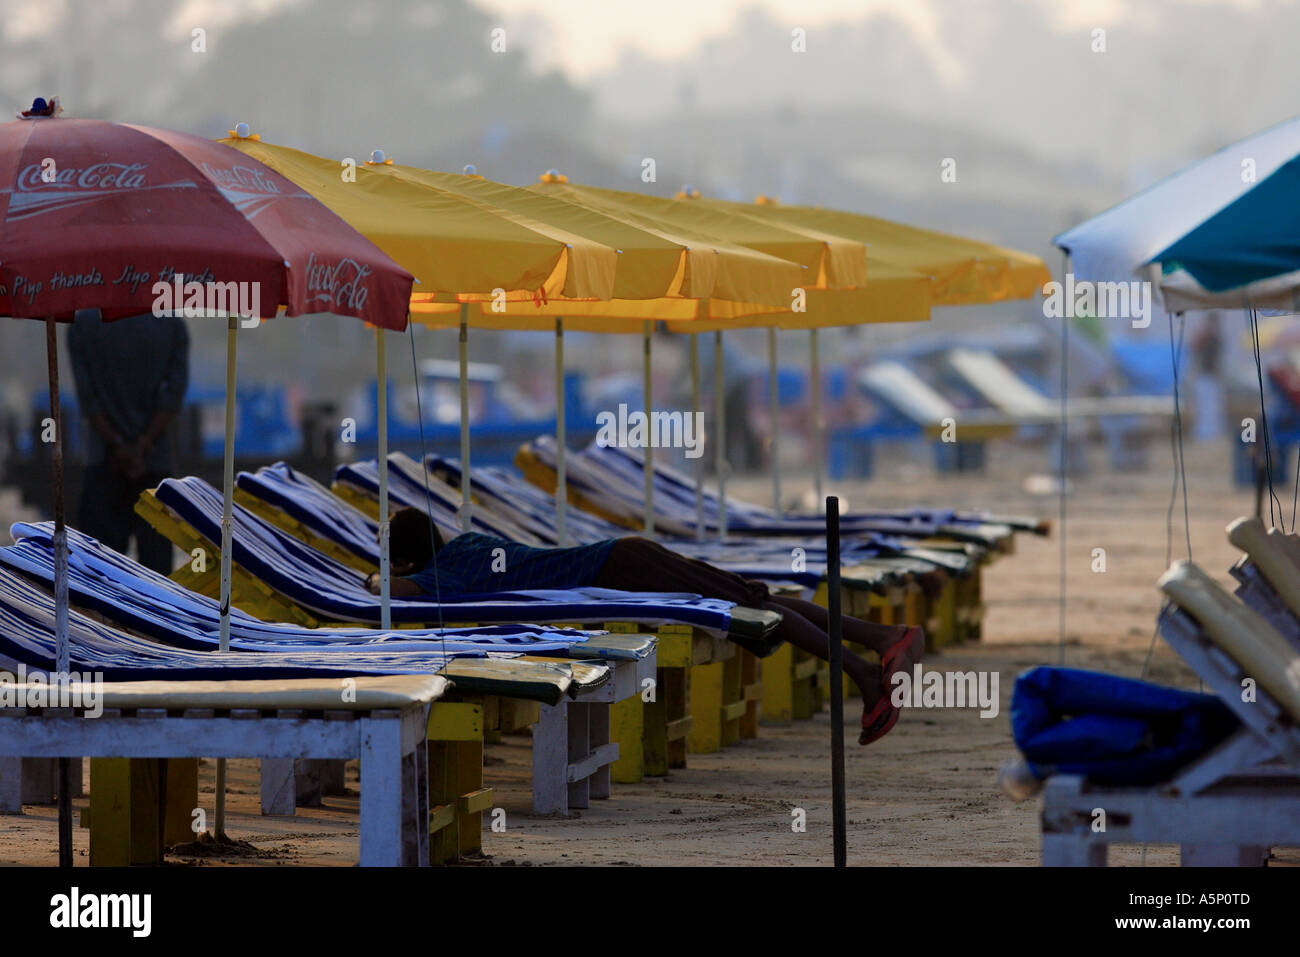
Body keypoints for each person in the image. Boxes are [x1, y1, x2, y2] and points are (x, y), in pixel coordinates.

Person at [368, 507, 924, 745]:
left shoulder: (449, 570)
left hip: (621, 565)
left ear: (410, 560)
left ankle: (865, 670)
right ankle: (879, 640)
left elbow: (399, 590)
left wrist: (375, 580)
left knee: (749, 609)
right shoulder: (465, 544)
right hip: (624, 555)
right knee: (751, 598)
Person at [68, 309, 190, 574]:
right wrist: (143, 444)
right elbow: (173, 395)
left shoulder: (83, 324)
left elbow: (88, 398)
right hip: (154, 462)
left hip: (103, 459)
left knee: (98, 572)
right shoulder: (171, 323)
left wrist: (117, 444)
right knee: (157, 573)